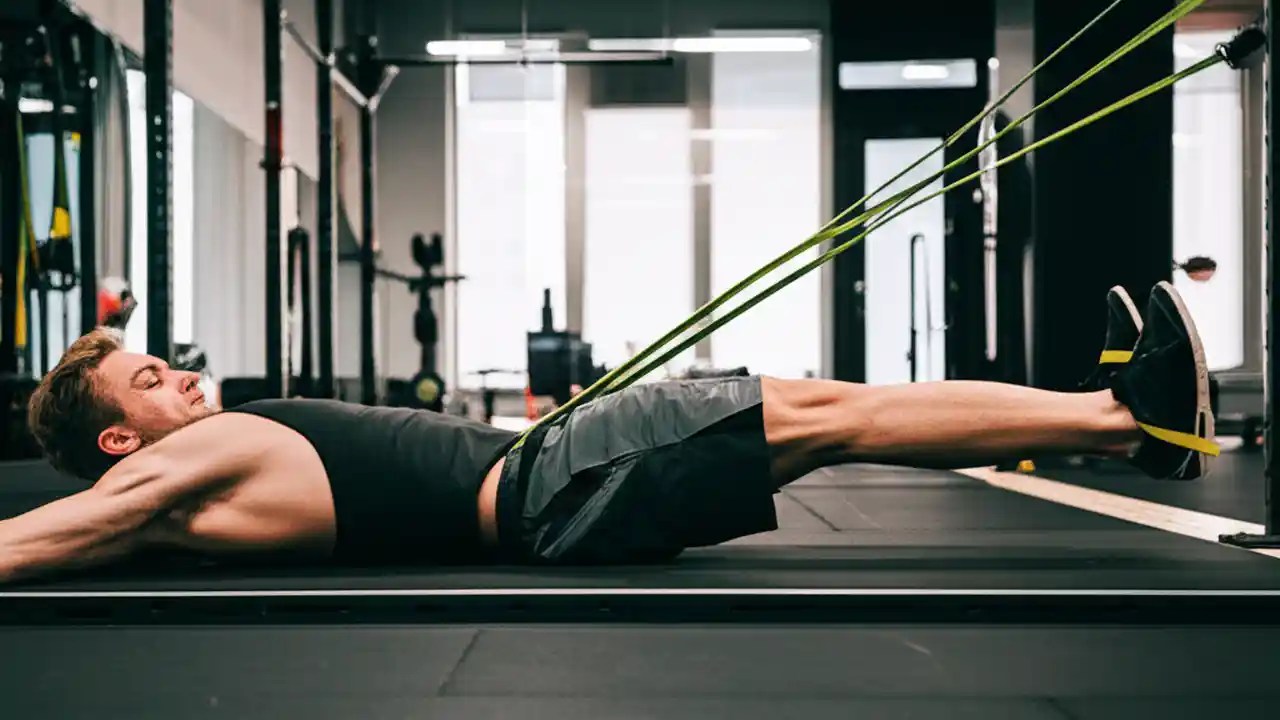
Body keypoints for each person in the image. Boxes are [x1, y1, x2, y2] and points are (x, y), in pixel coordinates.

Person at [0, 282, 1215, 584]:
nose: (186, 383)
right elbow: (79, 521)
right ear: (123, 439)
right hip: (556, 475)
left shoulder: (175, 502)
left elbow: (80, 535)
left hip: (557, 487)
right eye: (153, 381)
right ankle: (1121, 414)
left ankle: (1118, 434)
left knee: (836, 422)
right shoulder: (173, 469)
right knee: (839, 410)